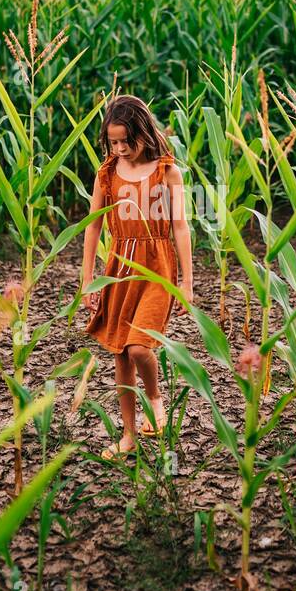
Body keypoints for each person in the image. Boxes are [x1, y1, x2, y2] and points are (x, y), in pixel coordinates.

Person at [79, 94, 193, 460]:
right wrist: (88, 282)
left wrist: (187, 282)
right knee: (120, 355)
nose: (120, 149)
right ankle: (128, 436)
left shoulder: (166, 172)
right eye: (112, 142)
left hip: (158, 268)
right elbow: (92, 228)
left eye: (126, 141)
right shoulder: (107, 174)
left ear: (144, 132)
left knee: (140, 347)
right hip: (120, 269)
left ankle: (155, 399)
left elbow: (180, 226)